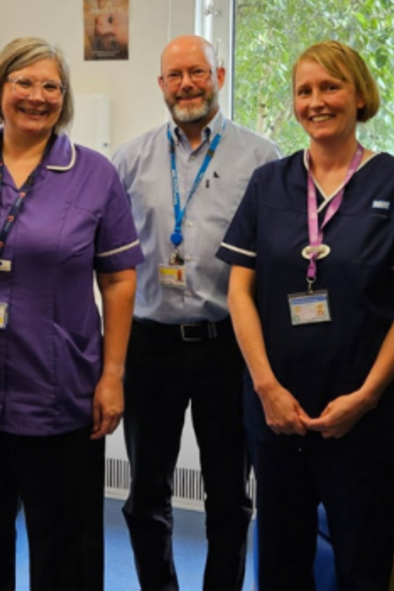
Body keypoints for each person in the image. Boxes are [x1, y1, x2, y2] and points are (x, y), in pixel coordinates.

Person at [219, 40, 394, 590]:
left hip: (362, 417)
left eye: (330, 86)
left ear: (360, 94)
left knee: (362, 568)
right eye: (304, 90)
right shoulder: (270, 182)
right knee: (281, 564)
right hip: (276, 414)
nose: (316, 101)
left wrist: (365, 397)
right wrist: (266, 388)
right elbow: (239, 292)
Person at [0, 37, 142, 591]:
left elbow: (119, 278)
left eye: (51, 85)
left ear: (64, 98)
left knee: (66, 554)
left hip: (59, 394)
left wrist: (113, 377)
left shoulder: (94, 173)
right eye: (23, 82)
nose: (37, 96)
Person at [112, 35, 278, 591]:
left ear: (220, 77)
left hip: (226, 345)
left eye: (198, 73)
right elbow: (110, 257)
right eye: (175, 75)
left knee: (230, 494)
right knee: (146, 496)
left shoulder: (262, 159)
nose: (187, 84)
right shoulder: (129, 159)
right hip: (149, 343)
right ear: (161, 85)